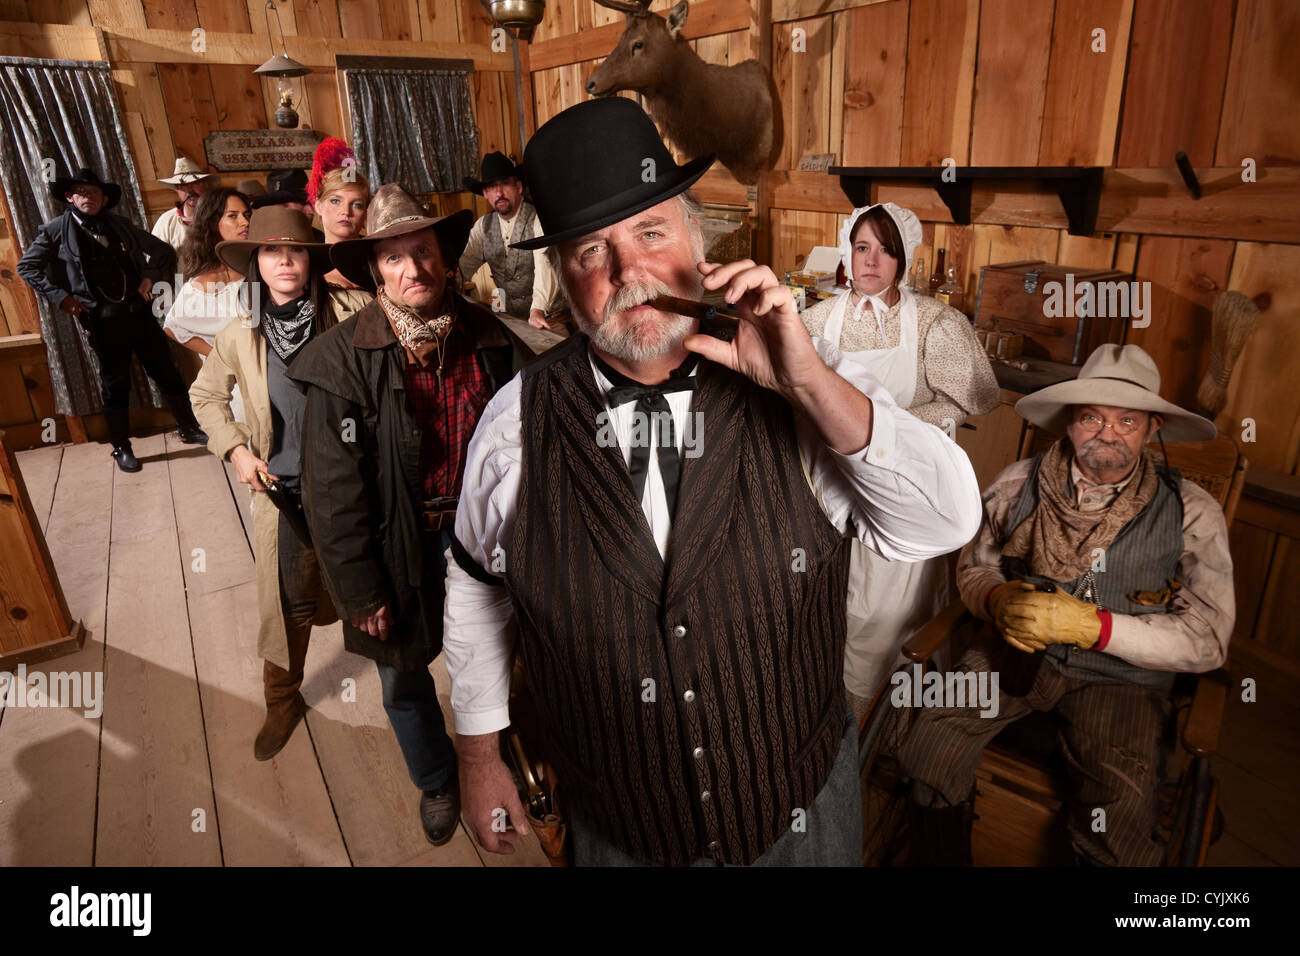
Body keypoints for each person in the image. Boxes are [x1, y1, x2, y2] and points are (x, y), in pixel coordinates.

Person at [442, 97, 982, 867]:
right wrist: (477, 753)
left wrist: (807, 384)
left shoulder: (809, 376)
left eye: (652, 232)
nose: (630, 273)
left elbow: (946, 520)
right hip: (621, 827)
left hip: (798, 818)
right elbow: (475, 587)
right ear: (562, 276)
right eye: (593, 252)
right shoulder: (514, 425)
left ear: (700, 238)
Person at [893, 344, 1234, 866]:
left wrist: (1095, 628)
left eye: (1127, 421)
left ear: (1152, 430)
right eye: (1091, 417)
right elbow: (973, 566)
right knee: (929, 746)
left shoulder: (1191, 512)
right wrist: (996, 596)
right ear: (1069, 424)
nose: (1107, 433)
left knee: (1122, 807)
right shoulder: (1016, 483)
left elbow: (1208, 637)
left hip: (1120, 680)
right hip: (1015, 658)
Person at [287, 185, 517, 846]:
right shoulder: (340, 362)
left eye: (423, 252)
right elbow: (332, 496)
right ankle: (437, 779)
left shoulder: (491, 339)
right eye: (393, 259)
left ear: (447, 260)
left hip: (481, 539)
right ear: (375, 272)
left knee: (500, 653)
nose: (412, 269)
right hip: (397, 543)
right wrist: (359, 592)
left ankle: (496, 759)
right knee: (403, 675)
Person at [801, 203, 999, 720]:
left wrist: (888, 424)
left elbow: (977, 400)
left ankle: (875, 729)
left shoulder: (936, 324)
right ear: (847, 253)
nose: (871, 261)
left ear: (904, 258)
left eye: (886, 250)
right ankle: (819, 722)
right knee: (821, 615)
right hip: (825, 495)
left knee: (881, 621)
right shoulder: (817, 321)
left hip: (899, 498)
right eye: (862, 247)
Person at [188, 206, 371, 761]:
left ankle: (402, 692)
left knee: (370, 587)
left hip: (355, 485)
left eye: (295, 250)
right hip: (284, 488)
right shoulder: (240, 331)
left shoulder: (351, 312)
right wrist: (237, 449)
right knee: (288, 602)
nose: (284, 261)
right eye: (271, 251)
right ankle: (282, 699)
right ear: (257, 263)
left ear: (310, 259)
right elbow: (205, 397)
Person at [17, 167, 206, 473]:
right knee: (115, 385)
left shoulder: (119, 225)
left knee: (167, 372)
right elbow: (27, 268)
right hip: (102, 322)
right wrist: (63, 298)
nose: (88, 197)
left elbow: (161, 251)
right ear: (70, 197)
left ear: (104, 199)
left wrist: (149, 276)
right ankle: (121, 447)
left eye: (94, 192)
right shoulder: (55, 230)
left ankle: (188, 427)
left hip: (139, 314)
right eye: (81, 192)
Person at [164, 189, 253, 425]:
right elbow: (172, 326)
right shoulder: (206, 283)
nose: (244, 222)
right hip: (240, 386)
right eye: (232, 216)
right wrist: (218, 355)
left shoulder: (256, 263)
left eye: (246, 214)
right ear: (213, 223)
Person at [458, 151, 558, 329]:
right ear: (485, 193)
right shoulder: (483, 226)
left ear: (518, 187)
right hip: (510, 317)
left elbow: (545, 265)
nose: (499, 192)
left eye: (505, 184)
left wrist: (538, 310)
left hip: (549, 316)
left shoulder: (538, 219)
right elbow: (463, 265)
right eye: (491, 186)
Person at [313, 167, 370, 289]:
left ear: (365, 212)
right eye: (335, 201)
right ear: (318, 206)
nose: (346, 212)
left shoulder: (379, 258)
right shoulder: (306, 262)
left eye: (357, 205)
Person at [152, 157, 219, 250]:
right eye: (183, 185)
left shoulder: (221, 214)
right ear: (177, 190)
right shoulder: (167, 221)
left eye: (195, 183)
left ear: (206, 186)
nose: (189, 190)